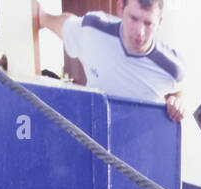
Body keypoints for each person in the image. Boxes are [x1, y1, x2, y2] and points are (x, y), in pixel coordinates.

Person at [37, 0, 185, 121]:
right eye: (133, 18)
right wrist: (42, 16)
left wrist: (175, 100)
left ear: (159, 22)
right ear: (121, 8)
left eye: (148, 23)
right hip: (95, 132)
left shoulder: (172, 67)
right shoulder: (93, 29)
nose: (140, 32)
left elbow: (178, 89)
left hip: (138, 144)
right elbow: (64, 24)